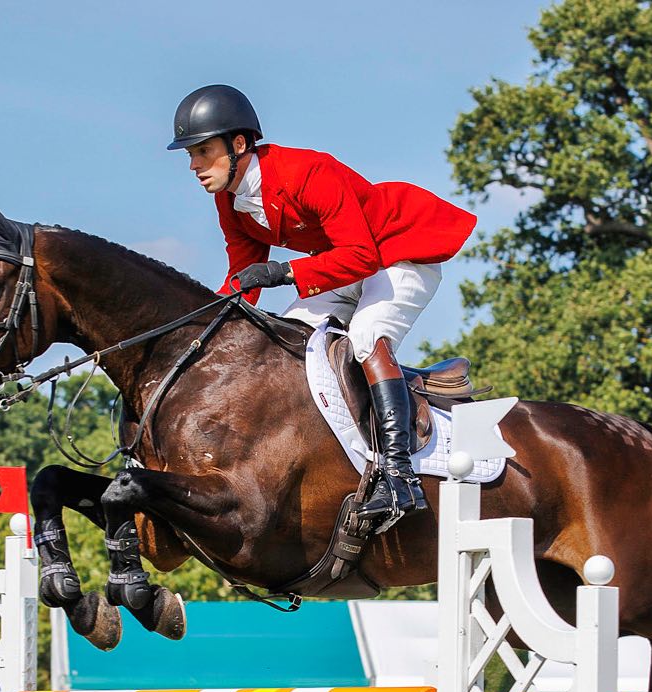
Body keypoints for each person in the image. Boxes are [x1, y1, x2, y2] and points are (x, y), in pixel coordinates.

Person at [168, 84, 477, 531]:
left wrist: (286, 273)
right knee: (287, 344)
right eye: (190, 155)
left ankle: (398, 474)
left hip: (398, 253)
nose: (194, 166)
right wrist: (198, 327)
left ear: (239, 145)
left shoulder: (307, 171)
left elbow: (363, 255)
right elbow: (243, 277)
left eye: (202, 151)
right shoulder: (230, 201)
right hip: (343, 266)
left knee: (367, 336)